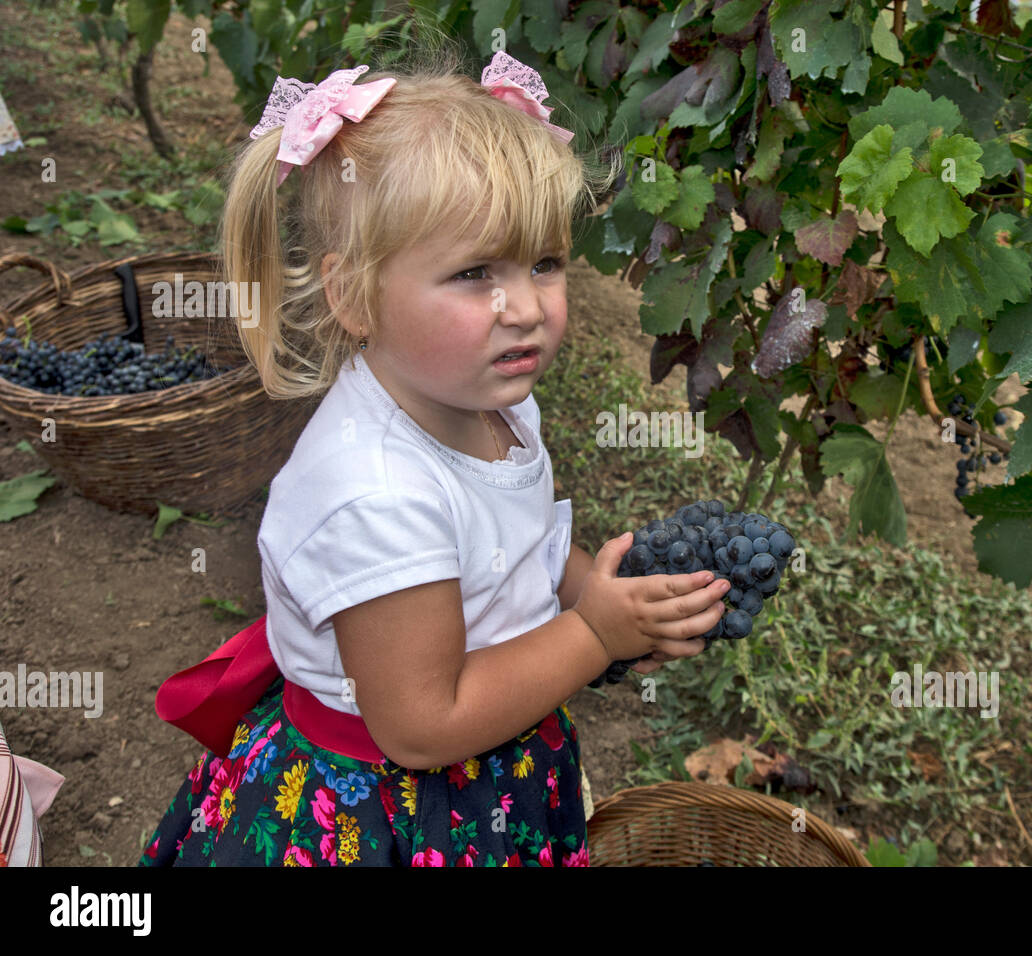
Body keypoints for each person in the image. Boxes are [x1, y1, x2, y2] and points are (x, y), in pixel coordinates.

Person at [137, 42, 733, 867]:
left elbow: (526, 539)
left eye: (546, 263)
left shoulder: (493, 402)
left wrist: (601, 591)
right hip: (400, 810)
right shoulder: (375, 494)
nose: (525, 305)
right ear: (353, 295)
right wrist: (596, 633)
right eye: (474, 272)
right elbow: (423, 724)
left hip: (494, 761)